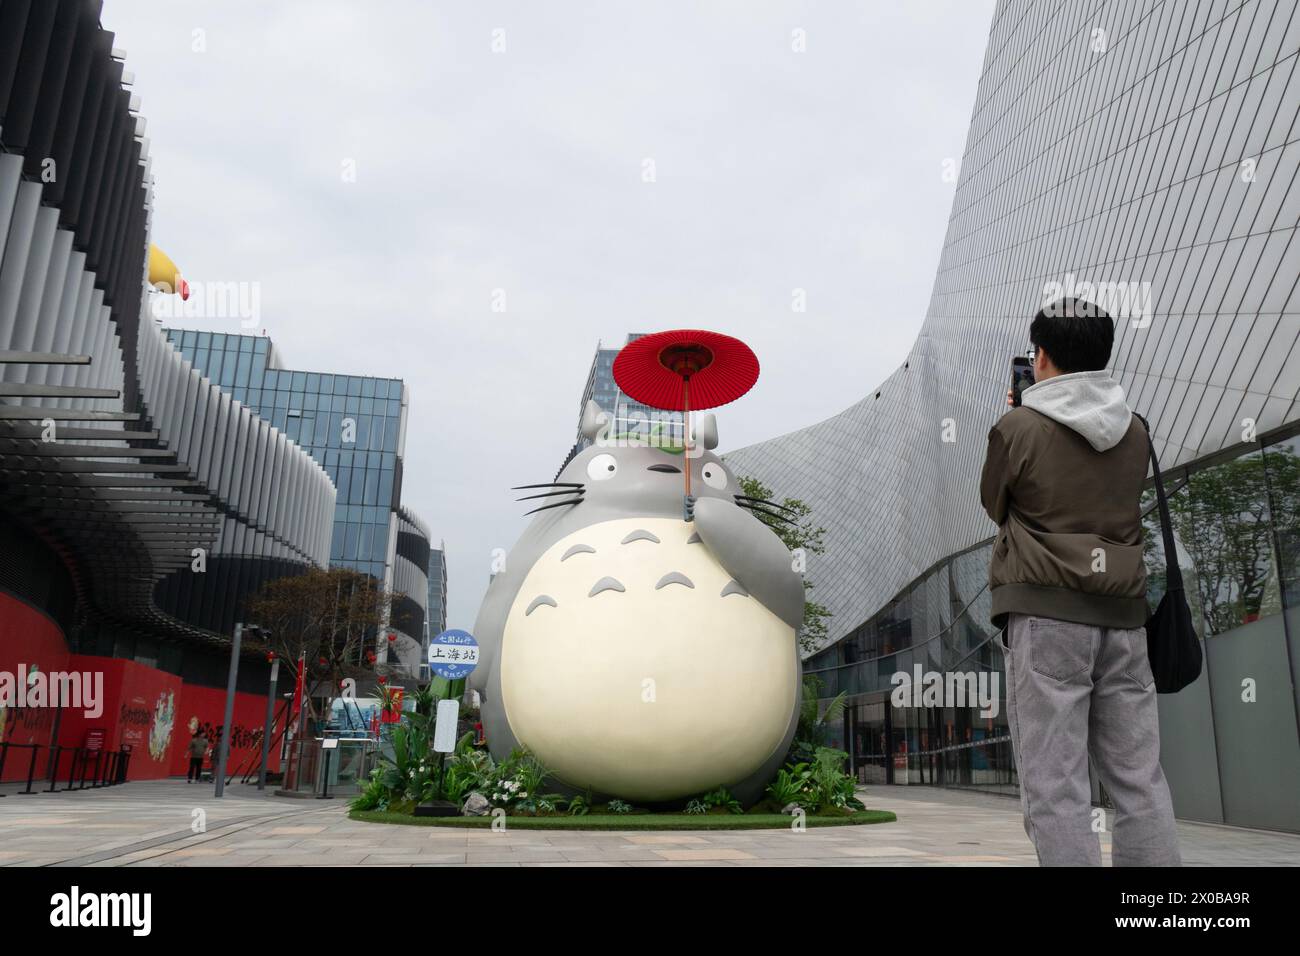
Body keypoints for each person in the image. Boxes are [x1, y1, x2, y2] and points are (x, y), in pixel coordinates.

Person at [979, 297, 1180, 867]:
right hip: (1123, 619)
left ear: (1040, 357)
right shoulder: (1136, 431)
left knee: (1056, 784)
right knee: (1139, 779)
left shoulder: (1017, 427)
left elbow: (995, 503)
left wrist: (1018, 413)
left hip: (1046, 618)